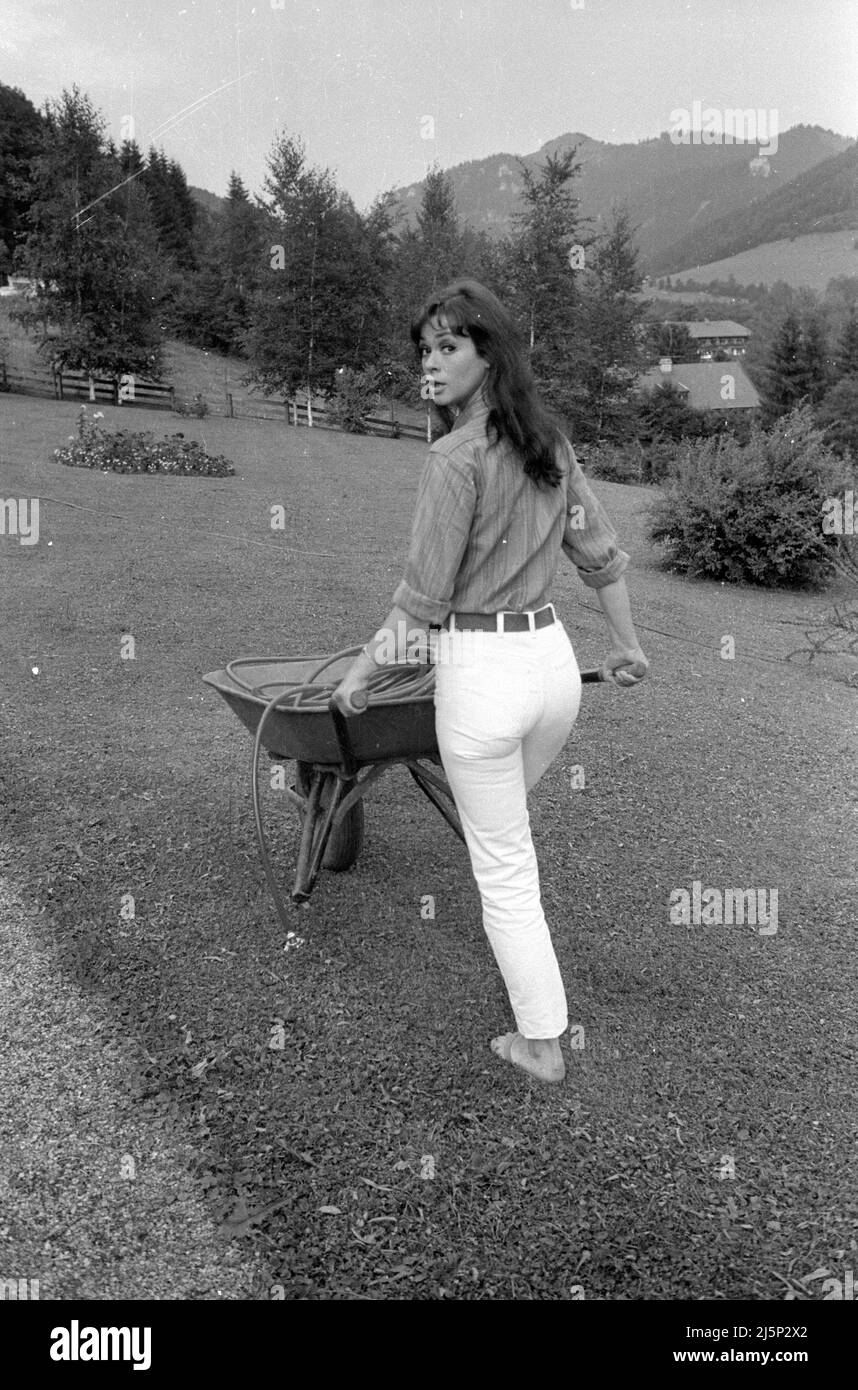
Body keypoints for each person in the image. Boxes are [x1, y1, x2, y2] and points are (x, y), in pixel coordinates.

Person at [332, 279, 648, 1084]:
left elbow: (422, 601)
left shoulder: (454, 459)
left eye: (448, 348)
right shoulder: (551, 445)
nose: (430, 366)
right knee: (503, 838)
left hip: (482, 674)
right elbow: (600, 556)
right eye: (425, 351)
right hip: (552, 670)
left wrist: (363, 673)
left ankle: (541, 1044)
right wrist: (627, 644)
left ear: (488, 354)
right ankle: (536, 1009)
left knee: (504, 865)